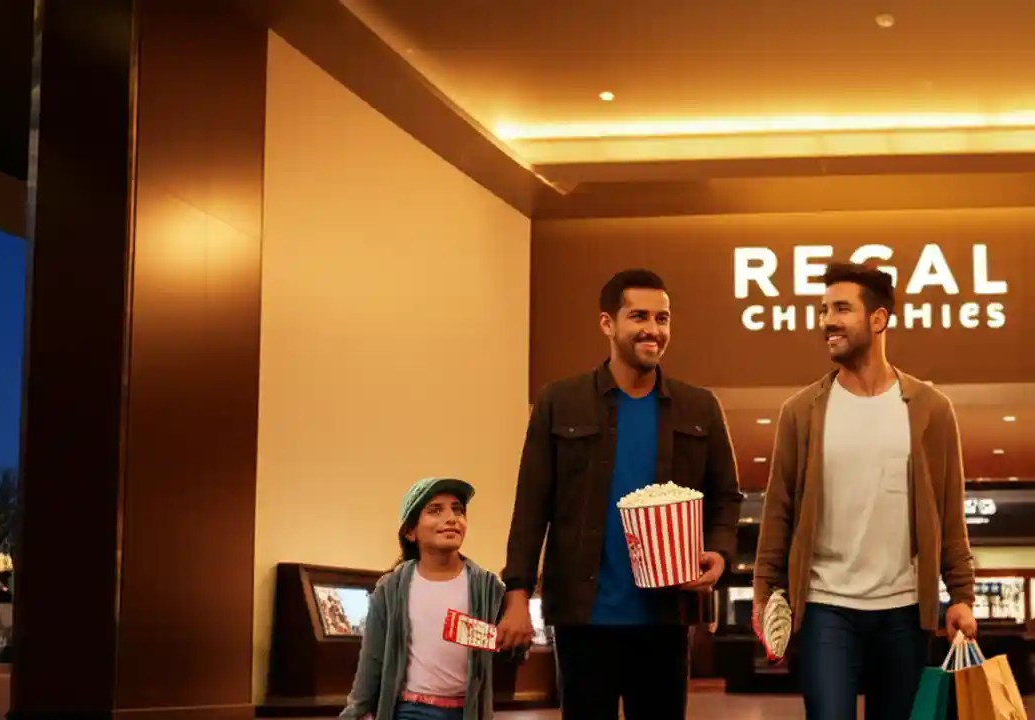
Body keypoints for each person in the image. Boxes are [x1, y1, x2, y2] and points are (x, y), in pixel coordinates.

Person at [497, 269, 743, 719]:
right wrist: (516, 596)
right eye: (639, 316)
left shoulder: (699, 406)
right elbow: (531, 506)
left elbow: (726, 497)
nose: (654, 329)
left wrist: (720, 554)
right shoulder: (560, 401)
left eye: (662, 318)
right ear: (607, 323)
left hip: (666, 618)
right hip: (583, 617)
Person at [752, 262, 978, 720]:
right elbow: (779, 511)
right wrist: (764, 592)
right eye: (823, 310)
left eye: (841, 309)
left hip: (904, 611)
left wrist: (961, 596)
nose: (827, 321)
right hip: (825, 607)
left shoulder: (930, 409)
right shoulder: (802, 412)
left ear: (878, 319)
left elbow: (949, 512)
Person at [341, 477, 506, 720]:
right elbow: (372, 658)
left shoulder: (488, 587)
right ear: (410, 531)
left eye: (458, 510)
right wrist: (356, 711)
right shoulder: (391, 589)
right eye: (435, 510)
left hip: (468, 712)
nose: (451, 518)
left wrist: (512, 634)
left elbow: (511, 651)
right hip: (411, 710)